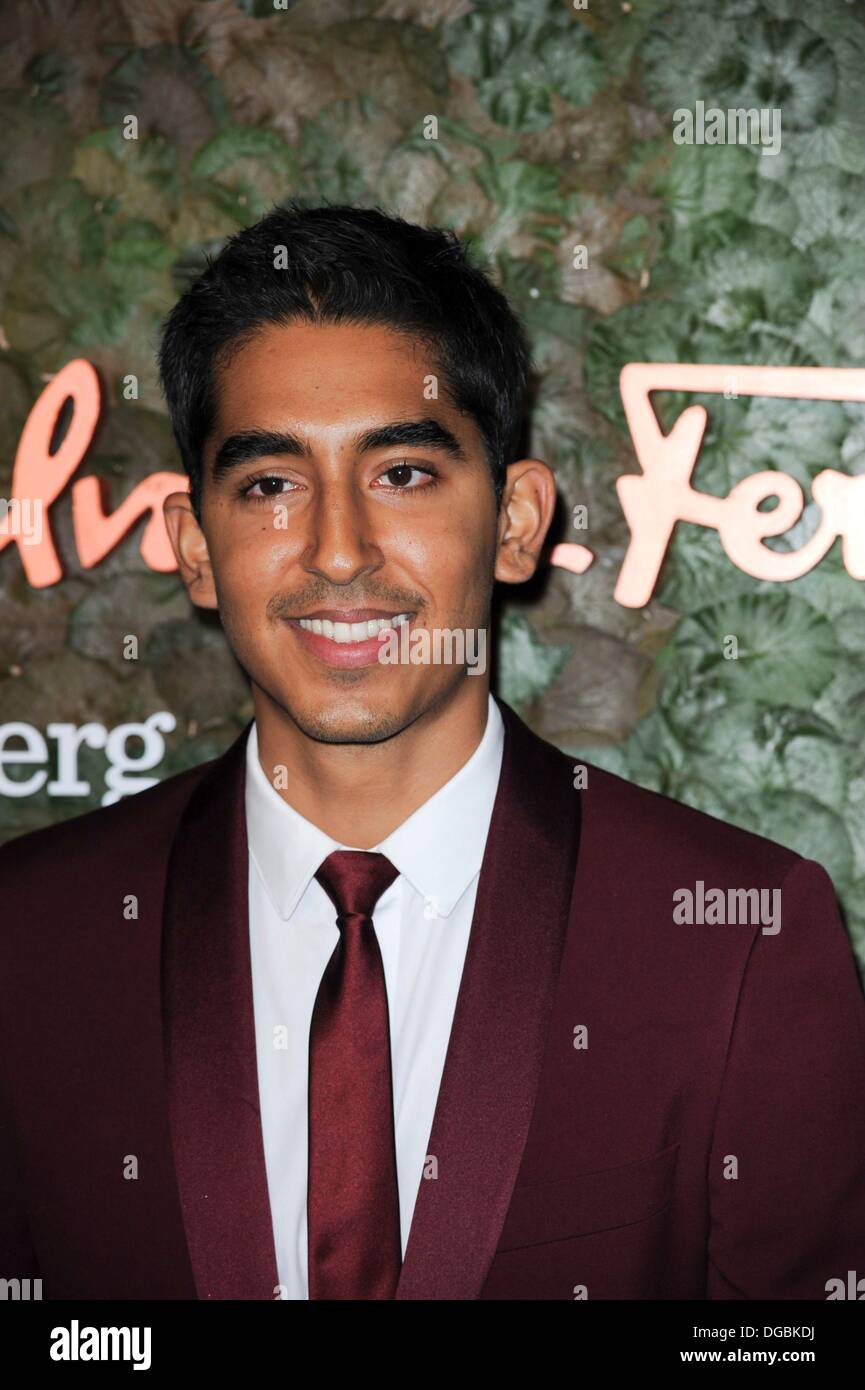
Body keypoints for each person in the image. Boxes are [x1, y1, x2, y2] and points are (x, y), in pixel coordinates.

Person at [1, 201, 864, 1301]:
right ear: (196, 549)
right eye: (270, 484)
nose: (338, 551)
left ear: (514, 523)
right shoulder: (28, 938)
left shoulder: (738, 936)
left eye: (401, 473)